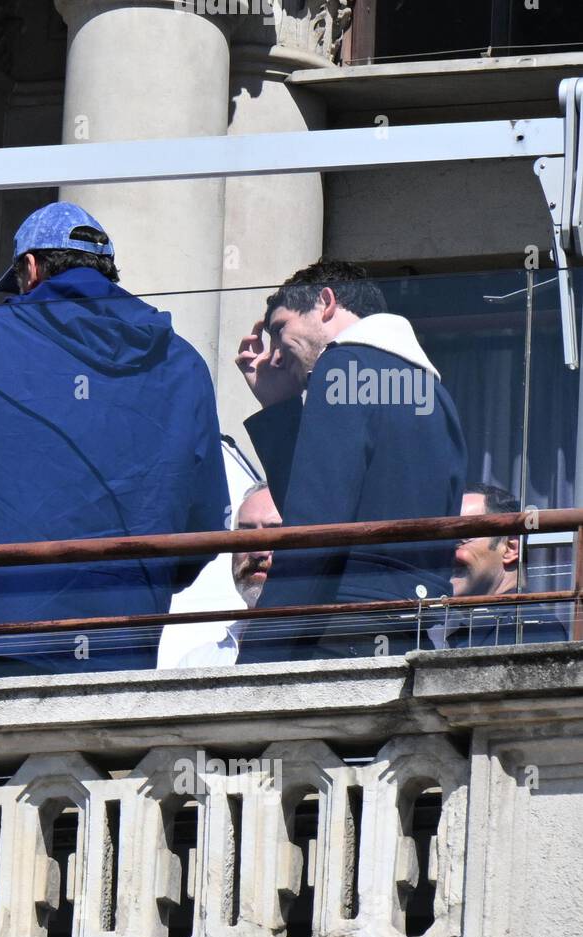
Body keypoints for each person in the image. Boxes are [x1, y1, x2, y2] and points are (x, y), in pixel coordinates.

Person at [0, 201, 229, 678]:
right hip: (126, 636)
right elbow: (206, 518)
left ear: (32, 267)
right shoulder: (184, 362)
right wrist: (149, 586)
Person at [234, 260, 467, 663]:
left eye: (279, 329)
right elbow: (330, 502)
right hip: (403, 626)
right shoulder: (429, 388)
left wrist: (262, 645)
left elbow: (314, 525)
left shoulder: (341, 364)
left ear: (325, 303)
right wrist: (279, 407)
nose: (274, 353)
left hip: (337, 630)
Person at [430, 482, 568, 648]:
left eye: (461, 536)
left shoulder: (532, 627)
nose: (447, 553)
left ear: (510, 549)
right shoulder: (478, 628)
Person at [175, 482, 282, 667]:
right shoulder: (197, 664)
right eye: (246, 534)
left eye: (275, 533)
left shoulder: (332, 647)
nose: (259, 552)